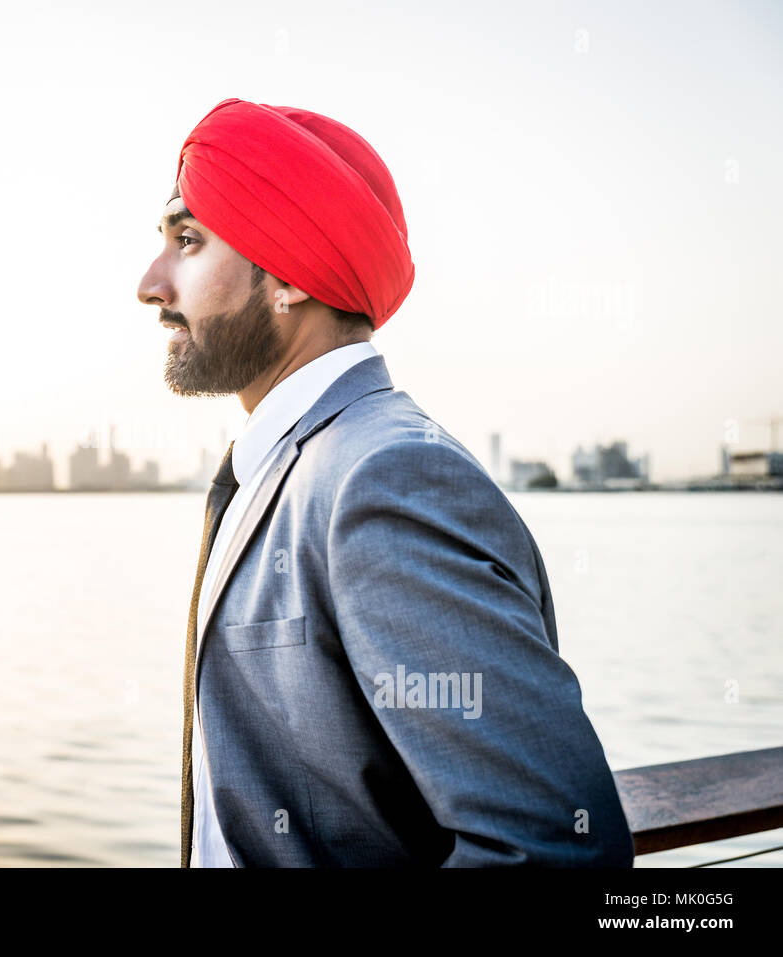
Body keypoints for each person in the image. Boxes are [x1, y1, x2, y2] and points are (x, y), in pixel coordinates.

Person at [136, 97, 634, 867]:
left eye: (189, 241)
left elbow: (550, 846)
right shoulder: (278, 466)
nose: (150, 283)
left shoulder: (389, 479)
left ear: (290, 278)